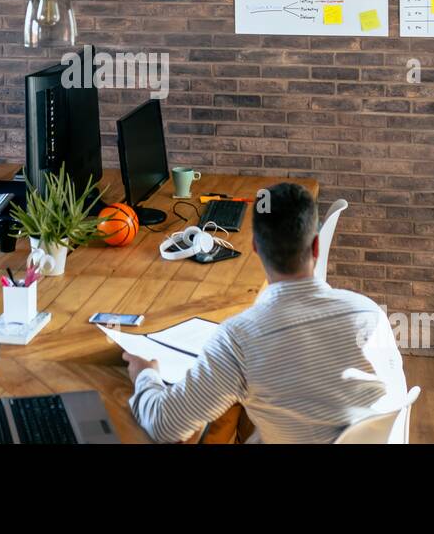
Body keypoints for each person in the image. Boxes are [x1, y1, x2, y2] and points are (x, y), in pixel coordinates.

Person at [120, 182, 407, 443]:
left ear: (255, 247)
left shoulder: (238, 340)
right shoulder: (369, 314)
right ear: (316, 245)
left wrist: (146, 376)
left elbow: (164, 427)